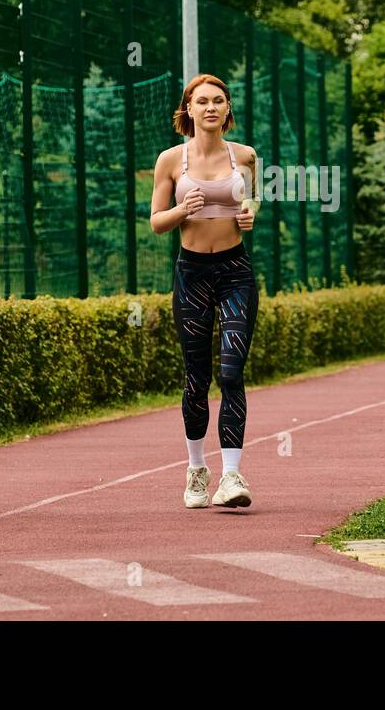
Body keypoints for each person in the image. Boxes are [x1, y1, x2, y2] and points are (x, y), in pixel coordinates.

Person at [150, 74, 259, 509]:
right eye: (202, 102)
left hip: (236, 272)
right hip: (192, 273)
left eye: (219, 101)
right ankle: (197, 469)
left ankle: (231, 476)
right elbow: (156, 220)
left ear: (227, 110)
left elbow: (253, 200)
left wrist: (250, 212)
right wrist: (181, 210)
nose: (211, 108)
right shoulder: (171, 160)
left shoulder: (246, 156)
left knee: (231, 373)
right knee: (197, 379)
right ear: (188, 110)